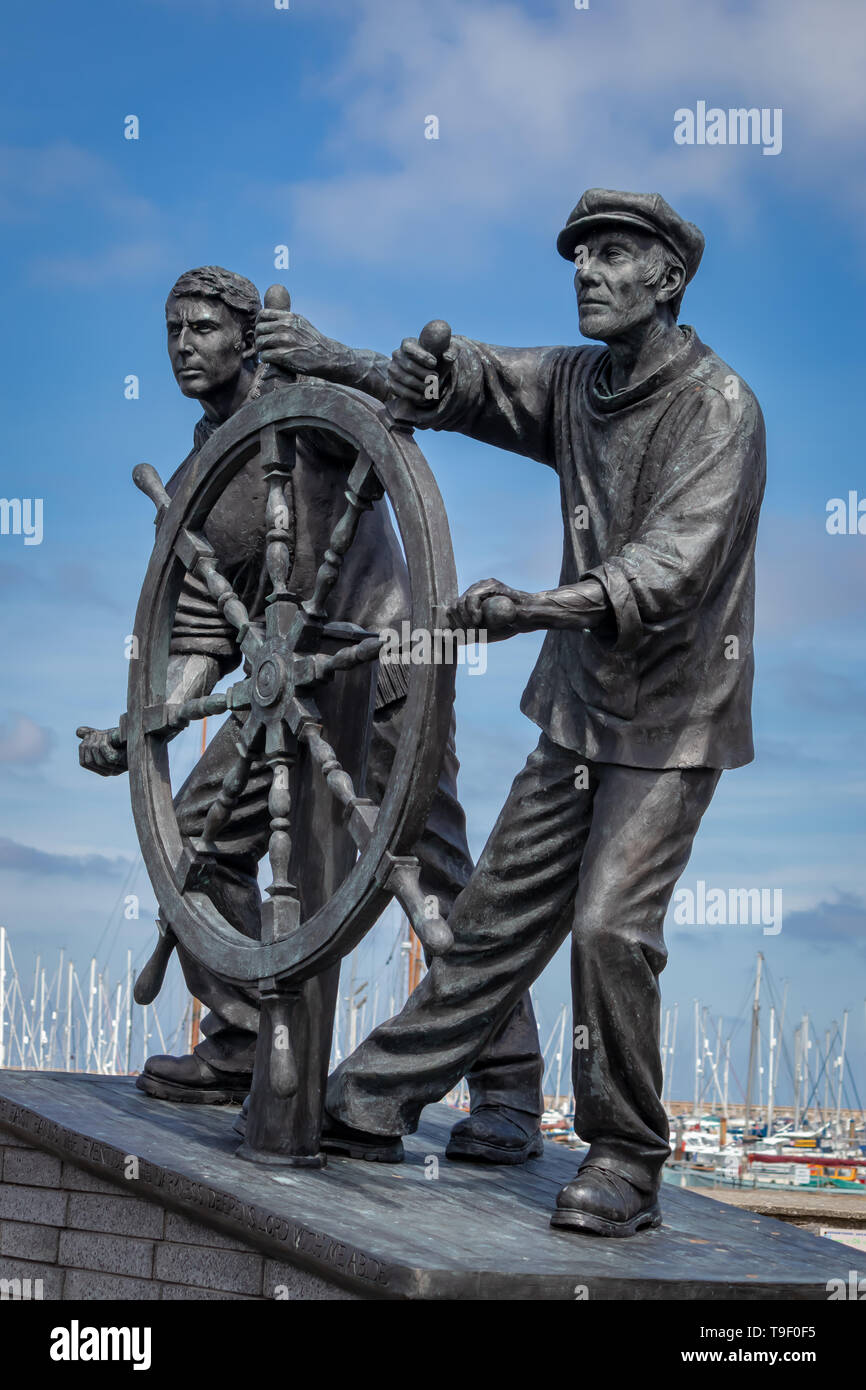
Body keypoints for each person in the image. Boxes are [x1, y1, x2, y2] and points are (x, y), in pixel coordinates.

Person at [263, 190, 765, 1236]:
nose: (585, 272)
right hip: (580, 705)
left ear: (666, 279)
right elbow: (470, 382)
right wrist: (348, 360)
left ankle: (624, 1154)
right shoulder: (580, 381)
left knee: (606, 928)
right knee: (493, 913)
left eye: (611, 254)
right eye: (576, 255)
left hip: (671, 727)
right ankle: (375, 1094)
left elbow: (666, 573)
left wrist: (531, 607)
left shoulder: (718, 408)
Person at [77, 265, 544, 1165]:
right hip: (276, 699)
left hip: (384, 669)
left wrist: (327, 355)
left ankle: (511, 1089)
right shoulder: (195, 482)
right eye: (173, 331)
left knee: (433, 872)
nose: (183, 346)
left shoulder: (306, 409)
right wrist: (146, 726)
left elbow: (403, 411)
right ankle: (252, 1036)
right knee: (191, 848)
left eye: (204, 329)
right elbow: (205, 637)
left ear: (247, 336)